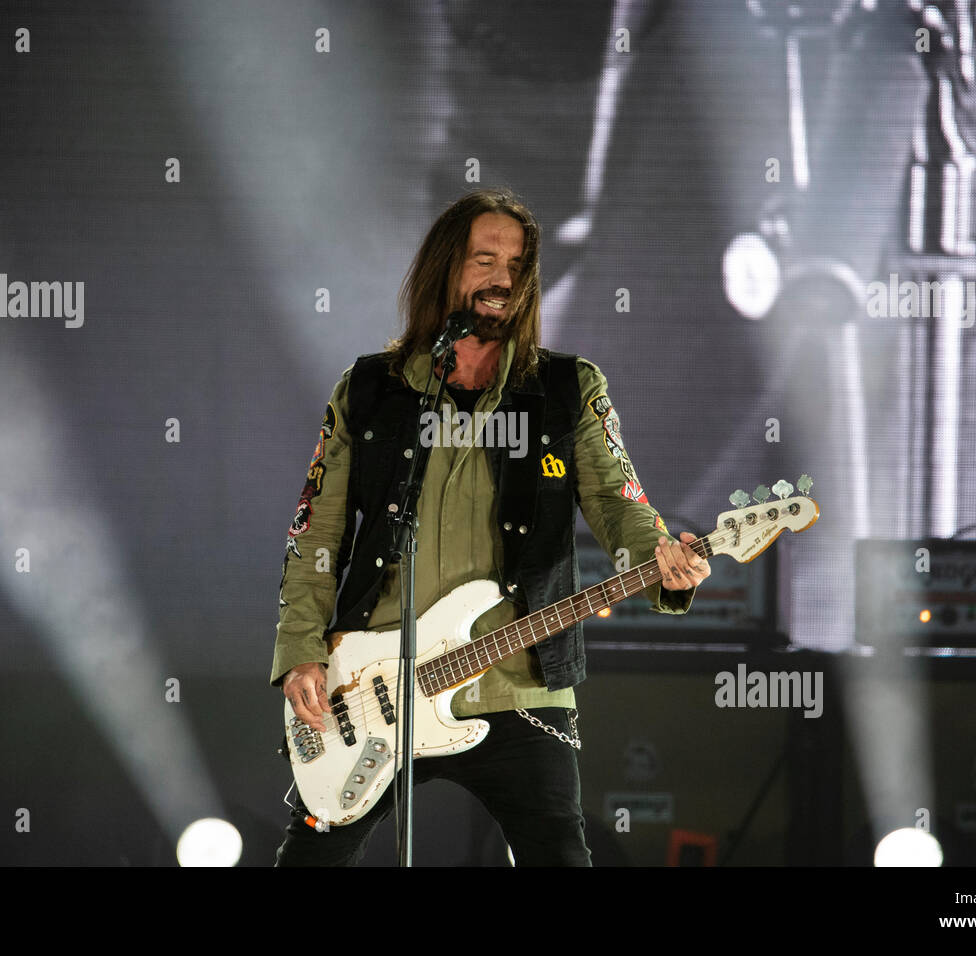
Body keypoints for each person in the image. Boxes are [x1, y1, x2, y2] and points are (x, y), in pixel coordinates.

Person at [271, 186, 710, 866]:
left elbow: (619, 503)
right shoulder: (370, 389)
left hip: (521, 684)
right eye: (484, 259)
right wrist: (301, 645)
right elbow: (316, 533)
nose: (503, 278)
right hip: (374, 685)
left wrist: (659, 554)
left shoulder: (568, 390)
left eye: (516, 265)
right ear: (447, 267)